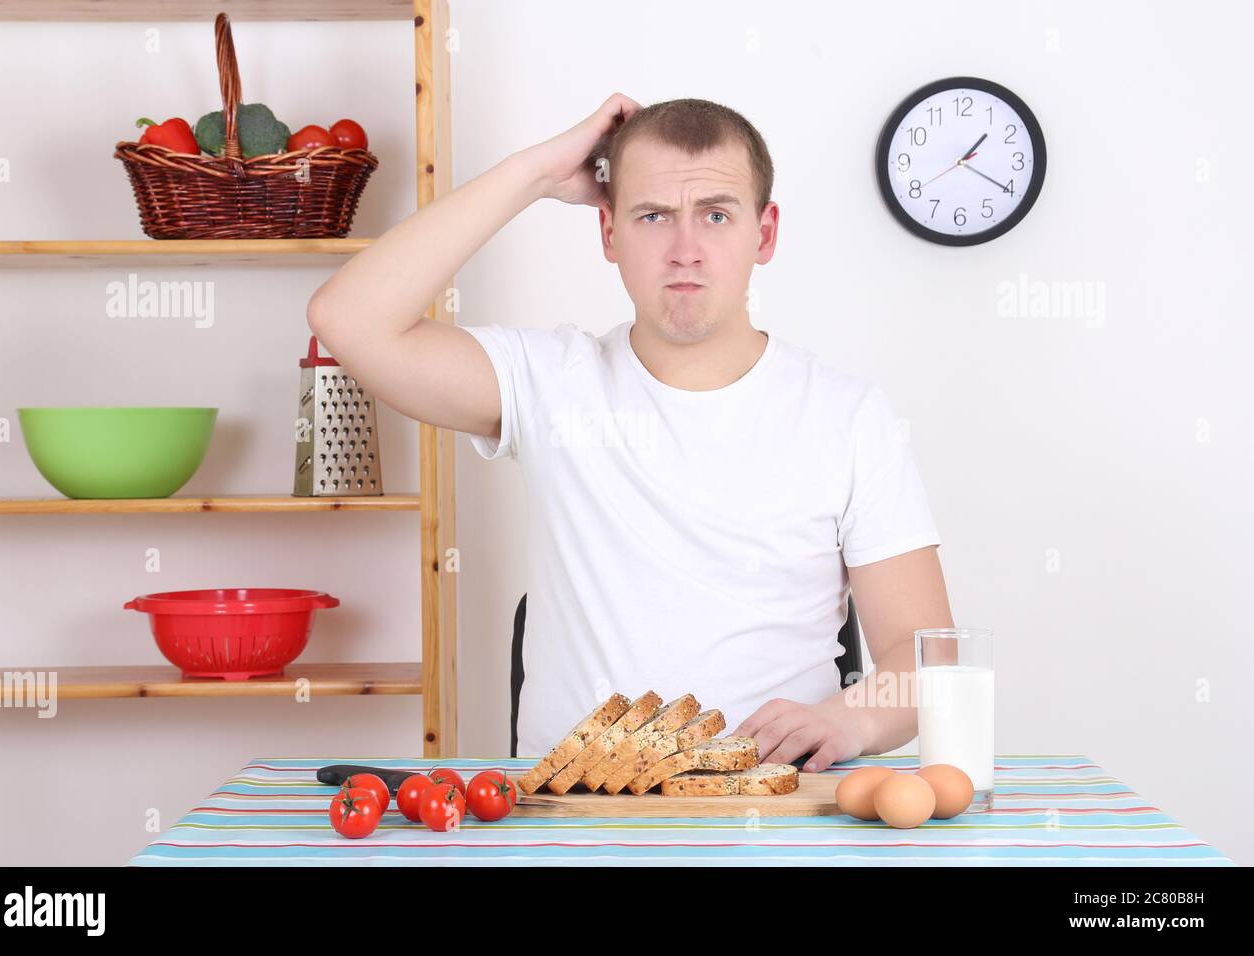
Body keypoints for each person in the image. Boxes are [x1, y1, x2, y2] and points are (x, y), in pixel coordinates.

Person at [307, 93, 955, 772]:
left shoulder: (848, 415)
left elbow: (924, 652)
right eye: (653, 216)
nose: (686, 251)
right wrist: (538, 176)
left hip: (776, 805)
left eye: (715, 215)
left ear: (763, 234)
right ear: (609, 234)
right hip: (576, 815)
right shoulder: (550, 380)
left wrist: (849, 719)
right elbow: (347, 318)